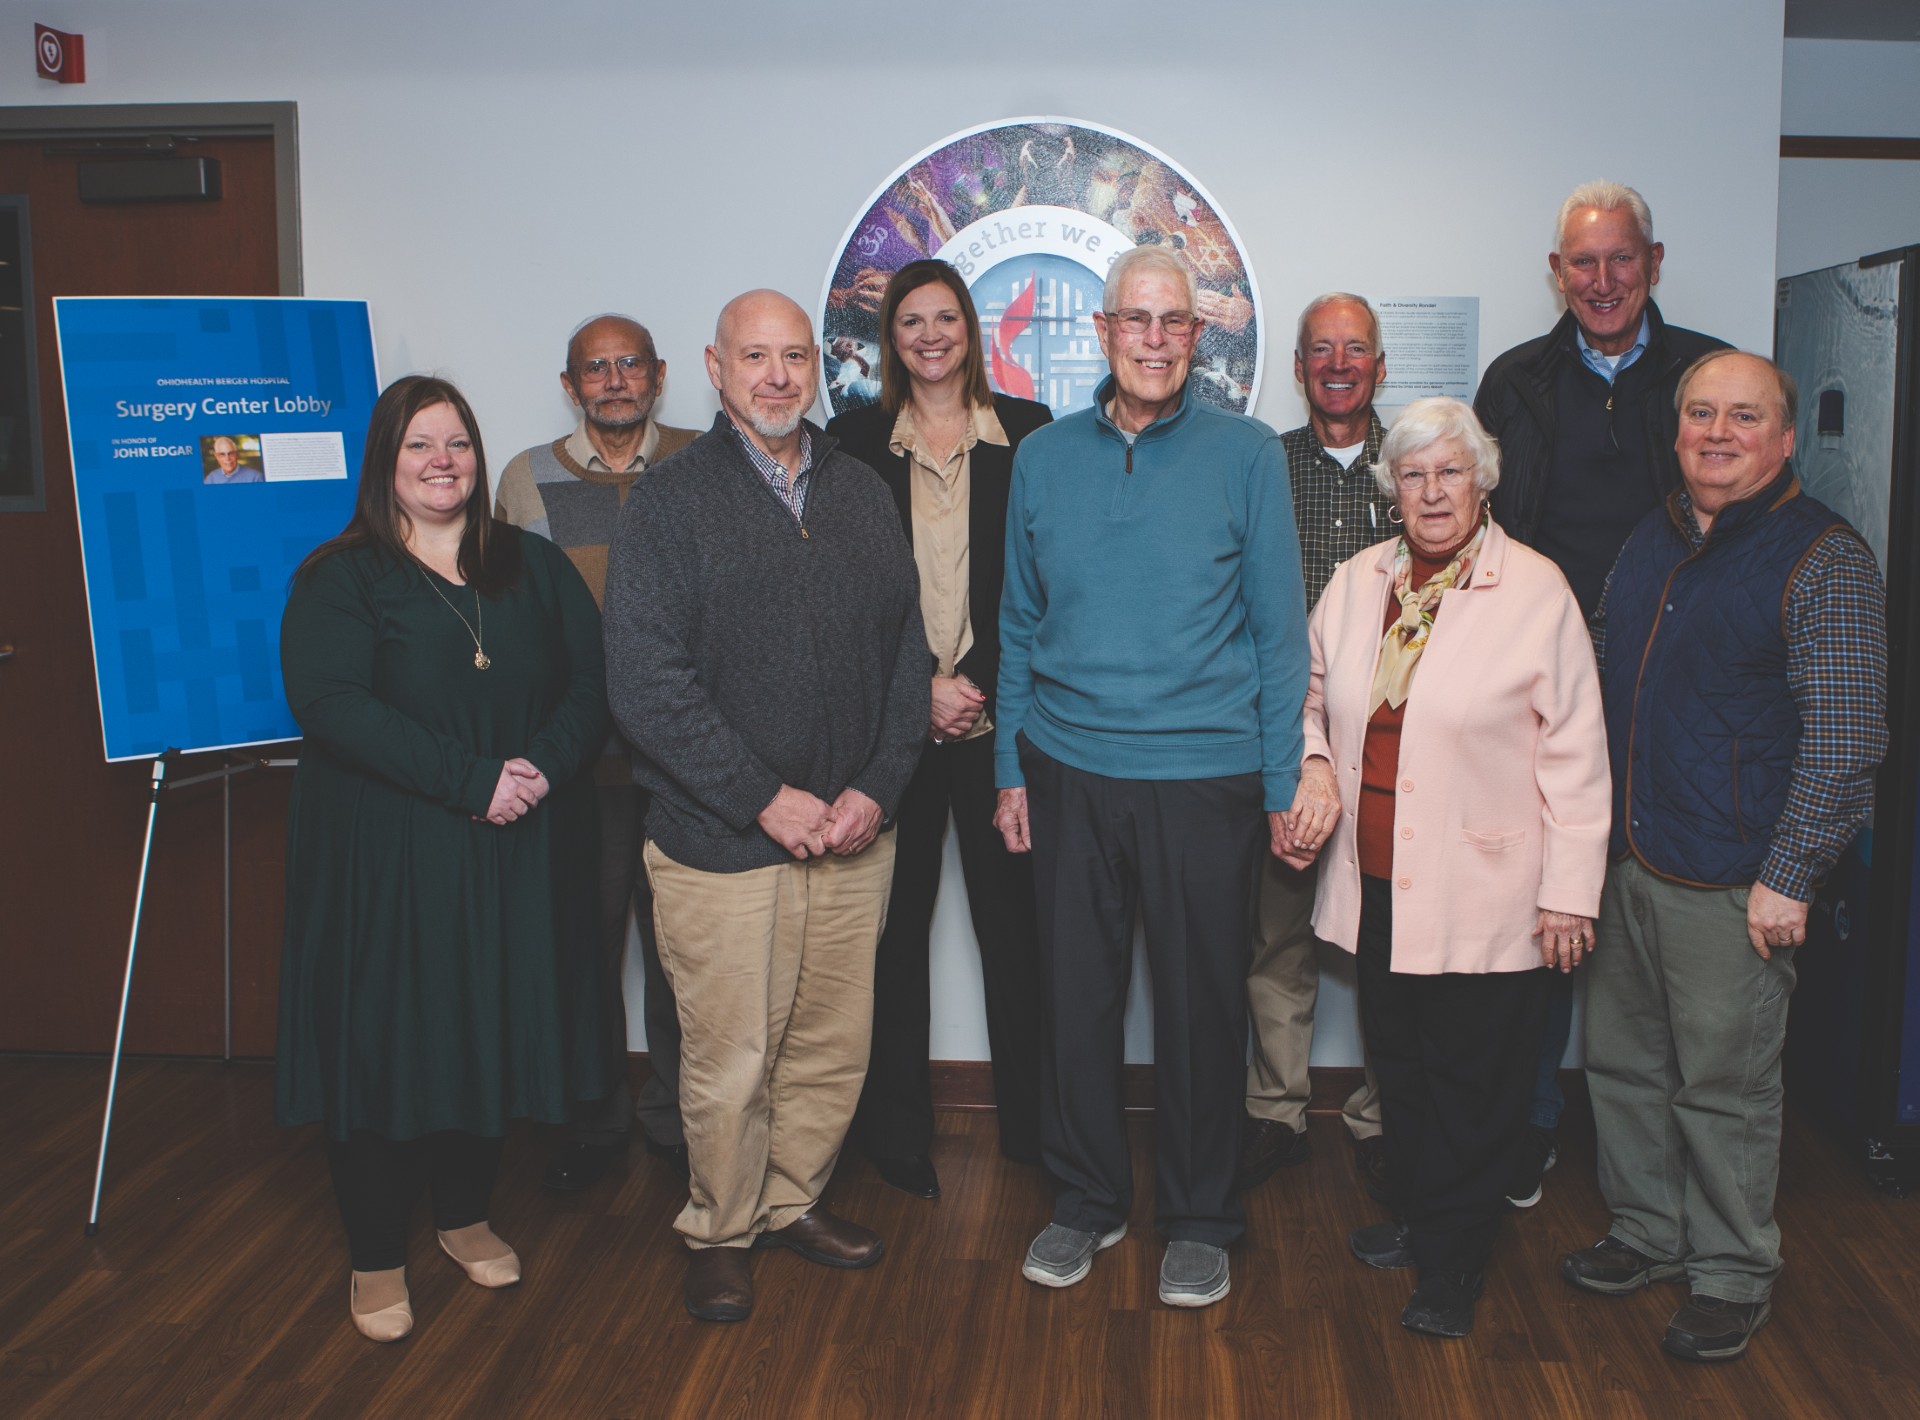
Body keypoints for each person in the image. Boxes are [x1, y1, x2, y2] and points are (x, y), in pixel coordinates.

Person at [602, 289, 927, 1324]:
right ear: (714, 366)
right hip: (719, 843)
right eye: (756, 356)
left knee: (830, 1047)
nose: (779, 376)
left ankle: (791, 1204)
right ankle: (721, 1228)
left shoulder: (864, 491)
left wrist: (878, 784)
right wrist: (762, 798)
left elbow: (906, 654)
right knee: (730, 1058)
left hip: (849, 838)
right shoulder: (667, 503)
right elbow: (645, 683)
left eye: (795, 356)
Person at [996, 244, 1308, 1310]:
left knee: (1200, 1006)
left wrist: (1278, 786)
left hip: (1206, 776)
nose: (1158, 339)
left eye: (1178, 322)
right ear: (1104, 330)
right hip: (1069, 767)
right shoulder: (1042, 456)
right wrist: (1009, 767)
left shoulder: (1247, 453)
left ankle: (1201, 1216)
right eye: (1138, 320)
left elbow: (1280, 636)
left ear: (1199, 336)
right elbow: (1017, 621)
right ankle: (1086, 1199)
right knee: (1076, 1003)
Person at [1563, 351, 1886, 1363]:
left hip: (1736, 879)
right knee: (1624, 1066)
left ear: (1785, 437)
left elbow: (1845, 741)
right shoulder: (1653, 535)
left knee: (1724, 1086)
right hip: (1631, 859)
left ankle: (1733, 1271)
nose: (1716, 431)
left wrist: (1792, 873)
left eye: (1744, 416)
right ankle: (1650, 1234)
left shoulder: (1825, 558)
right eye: (1700, 412)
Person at [276, 375, 610, 1343]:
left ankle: (465, 1215)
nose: (443, 462)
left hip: (511, 843)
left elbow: (592, 682)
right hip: (386, 857)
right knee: (384, 1046)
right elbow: (331, 704)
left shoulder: (530, 565)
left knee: (482, 1028)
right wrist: (473, 780)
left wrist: (537, 771)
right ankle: (376, 1256)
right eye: (420, 445)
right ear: (387, 460)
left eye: (458, 443)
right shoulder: (341, 576)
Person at [1284, 396, 1609, 1339]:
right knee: (1406, 1068)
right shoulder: (1355, 582)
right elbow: (1309, 697)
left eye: (1451, 473)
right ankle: (1424, 1218)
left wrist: (1568, 893)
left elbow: (1578, 756)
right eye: (1415, 475)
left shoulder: (1537, 590)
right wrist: (1311, 759)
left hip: (1492, 887)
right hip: (1378, 880)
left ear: (1483, 482)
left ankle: (1456, 1262)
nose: (1433, 491)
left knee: (1474, 1083)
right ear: (1393, 490)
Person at [1473, 180, 1728, 1207]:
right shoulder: (1517, 381)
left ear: (1654, 264)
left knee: (1651, 912)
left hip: (1673, 686)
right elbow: (1483, 532)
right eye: (1584, 262)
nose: (1604, 279)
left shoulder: (1705, 377)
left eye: (1622, 259)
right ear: (1558, 273)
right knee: (1543, 914)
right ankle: (1533, 1124)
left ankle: (1659, 1153)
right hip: (1542, 685)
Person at [824, 260, 1052, 1199]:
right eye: (910, 321)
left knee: (1020, 935)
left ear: (971, 327)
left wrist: (977, 687)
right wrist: (920, 687)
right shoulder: (850, 444)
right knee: (890, 938)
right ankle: (897, 1136)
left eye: (945, 317)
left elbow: (1045, 585)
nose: (929, 335)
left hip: (1001, 727)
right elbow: (841, 599)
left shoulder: (1031, 435)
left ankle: (1039, 1133)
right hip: (893, 729)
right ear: (891, 338)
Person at [494, 314, 699, 1193]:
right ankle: (592, 1116)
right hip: (581, 763)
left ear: (657, 376)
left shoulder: (703, 459)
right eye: (595, 369)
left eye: (629, 366)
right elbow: (504, 618)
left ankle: (680, 1118)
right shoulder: (522, 478)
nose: (614, 381)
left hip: (692, 759)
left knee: (684, 951)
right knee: (582, 948)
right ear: (571, 384)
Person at [1240, 293, 1394, 1198]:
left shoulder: (1417, 465)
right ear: (1297, 367)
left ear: (1380, 365)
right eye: (1320, 351)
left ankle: (1384, 1115)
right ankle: (1275, 1113)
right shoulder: (1264, 464)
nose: (1338, 365)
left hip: (1393, 752)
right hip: (1281, 742)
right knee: (1276, 940)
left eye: (1356, 350)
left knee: (1390, 943)